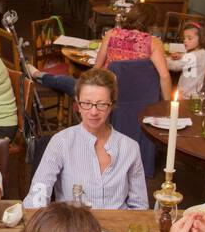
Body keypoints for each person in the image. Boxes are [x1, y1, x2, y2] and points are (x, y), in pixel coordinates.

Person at [24, 68, 147, 210]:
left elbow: (140, 206)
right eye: (87, 103)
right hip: (73, 228)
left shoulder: (131, 147)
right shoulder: (61, 142)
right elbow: (37, 197)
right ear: (77, 103)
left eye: (101, 104)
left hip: (118, 228)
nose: (93, 112)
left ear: (111, 105)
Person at [27, 5, 172, 99]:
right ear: (151, 23)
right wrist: (167, 105)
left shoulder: (111, 34)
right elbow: (164, 76)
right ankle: (39, 75)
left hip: (106, 94)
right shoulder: (154, 43)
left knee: (70, 82)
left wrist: (83, 81)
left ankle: (38, 75)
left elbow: (96, 67)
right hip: (136, 97)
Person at [166, 21, 205, 99]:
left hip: (188, 94)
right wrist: (182, 56)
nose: (185, 41)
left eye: (189, 38)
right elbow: (195, 60)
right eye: (184, 38)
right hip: (201, 91)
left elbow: (175, 66)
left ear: (201, 39)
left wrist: (163, 58)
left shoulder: (192, 56)